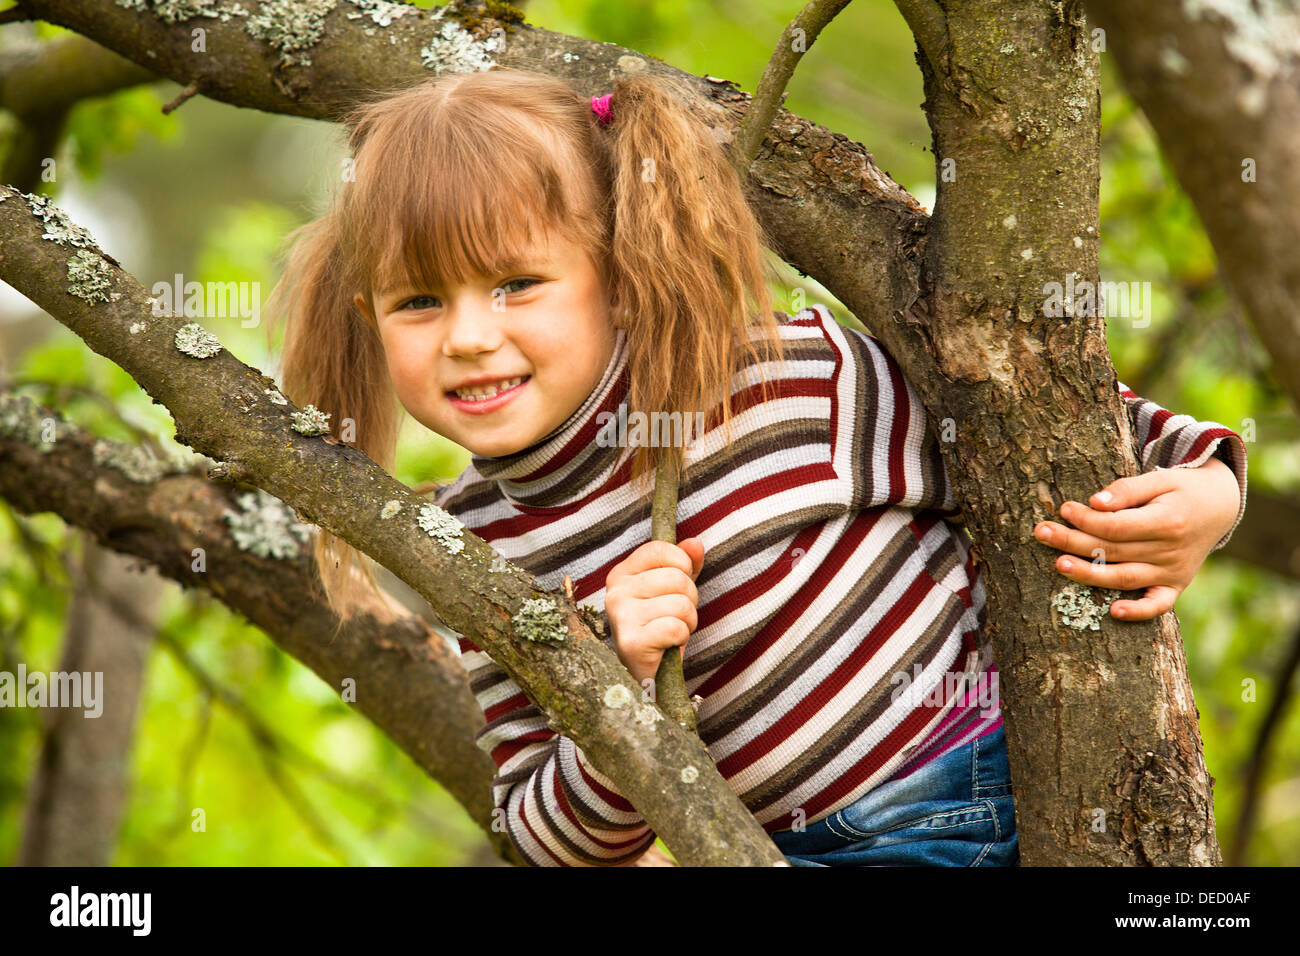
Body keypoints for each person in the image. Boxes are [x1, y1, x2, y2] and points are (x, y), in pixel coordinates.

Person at [267, 67, 1248, 867]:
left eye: (516, 283)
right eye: (418, 303)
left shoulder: (771, 381)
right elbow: (544, 834)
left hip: (954, 803)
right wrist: (613, 695)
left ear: (615, 271)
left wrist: (1206, 486)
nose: (470, 338)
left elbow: (1035, 422)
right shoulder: (476, 535)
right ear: (367, 317)